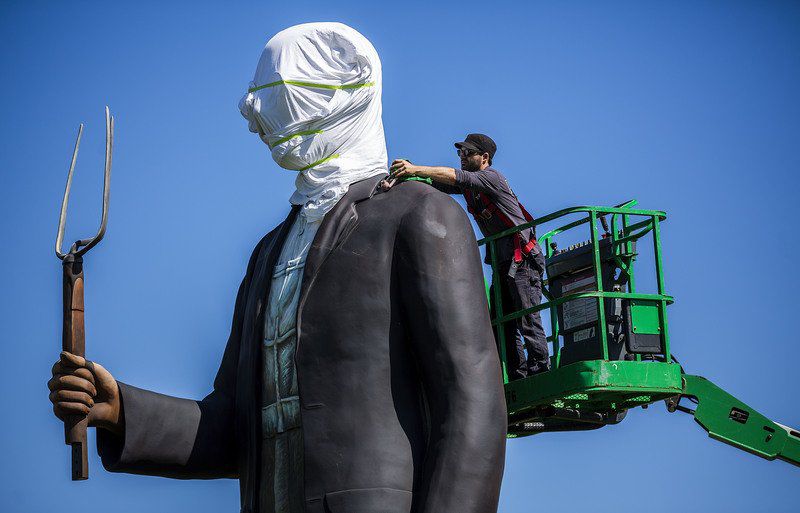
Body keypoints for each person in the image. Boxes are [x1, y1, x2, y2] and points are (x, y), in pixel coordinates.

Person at [47, 23, 506, 513]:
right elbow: (236, 426)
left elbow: (473, 406)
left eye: (276, 93)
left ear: (348, 90)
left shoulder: (419, 216)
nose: (255, 116)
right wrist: (122, 411)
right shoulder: (269, 253)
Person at [389, 134, 549, 379]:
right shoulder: (471, 188)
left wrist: (416, 168)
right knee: (502, 322)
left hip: (522, 260)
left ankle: (540, 370)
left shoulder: (491, 178)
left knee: (527, 316)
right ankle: (518, 375)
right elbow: (439, 182)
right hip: (503, 262)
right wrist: (410, 176)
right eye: (460, 153)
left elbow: (455, 176)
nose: (462, 157)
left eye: (468, 153)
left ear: (484, 157)